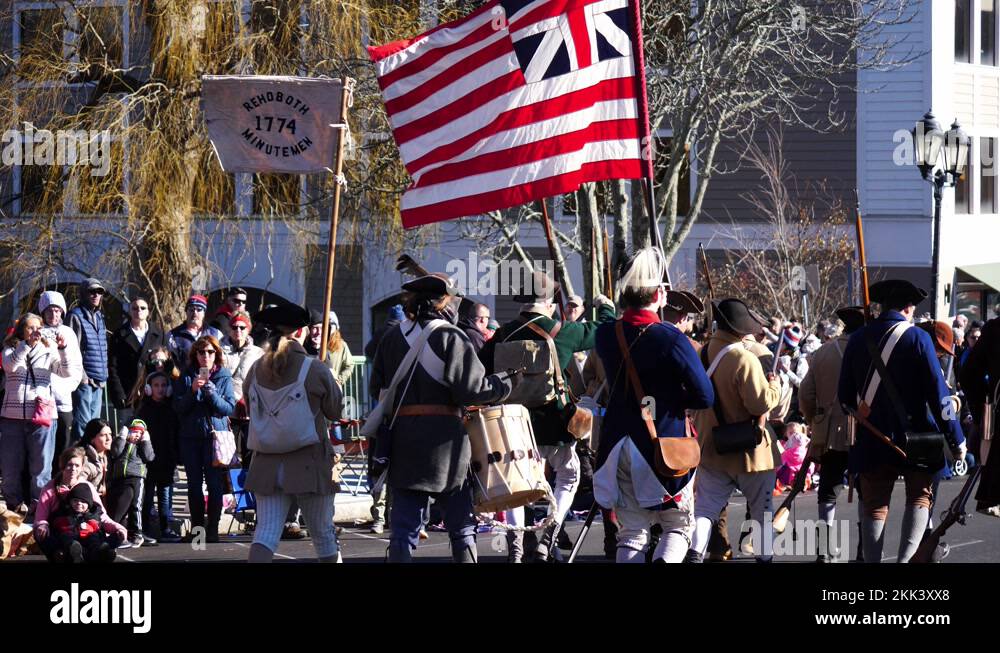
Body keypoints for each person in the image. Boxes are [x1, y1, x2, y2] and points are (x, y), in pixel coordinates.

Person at [371, 274, 514, 562]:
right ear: (443, 304)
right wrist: (504, 384)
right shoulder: (452, 336)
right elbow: (472, 391)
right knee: (461, 527)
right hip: (446, 443)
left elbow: (377, 388)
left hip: (404, 439)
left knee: (403, 530)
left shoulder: (391, 338)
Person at [480, 271, 615, 562]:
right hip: (554, 422)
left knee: (517, 486)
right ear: (550, 304)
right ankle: (550, 534)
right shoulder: (561, 331)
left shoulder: (502, 334)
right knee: (569, 475)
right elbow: (604, 327)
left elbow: (481, 366)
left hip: (513, 423)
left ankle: (516, 550)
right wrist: (605, 304)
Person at [592, 252, 714, 563]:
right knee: (677, 526)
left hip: (617, 444)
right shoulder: (670, 337)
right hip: (661, 446)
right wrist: (673, 400)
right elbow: (704, 396)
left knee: (632, 533)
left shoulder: (606, 334)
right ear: (660, 294)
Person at [838, 280, 966, 563]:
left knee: (874, 506)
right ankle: (905, 561)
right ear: (909, 307)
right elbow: (939, 394)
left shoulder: (858, 338)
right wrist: (956, 438)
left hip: (872, 437)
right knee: (920, 497)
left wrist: (863, 412)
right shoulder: (918, 338)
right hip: (917, 438)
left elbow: (844, 397)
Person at [243, 303, 344, 563]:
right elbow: (334, 411)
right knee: (323, 534)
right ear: (299, 333)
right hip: (309, 463)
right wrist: (330, 380)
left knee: (264, 535)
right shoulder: (315, 368)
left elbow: (250, 411)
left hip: (266, 464)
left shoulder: (254, 371)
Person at [687, 298, 783, 563]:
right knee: (762, 511)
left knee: (705, 510)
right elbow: (760, 403)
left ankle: (695, 554)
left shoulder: (702, 353)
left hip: (712, 447)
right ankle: (765, 559)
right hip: (749, 451)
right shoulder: (744, 358)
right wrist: (774, 386)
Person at [799, 306, 864, 562]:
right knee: (867, 492)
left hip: (828, 431)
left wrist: (815, 419)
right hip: (863, 431)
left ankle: (824, 551)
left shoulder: (822, 352)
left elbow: (806, 395)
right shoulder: (870, 353)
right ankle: (863, 551)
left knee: (827, 491)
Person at [1, 313, 80, 517]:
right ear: (22, 330)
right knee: (10, 469)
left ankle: (39, 508)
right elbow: (9, 366)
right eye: (30, 327)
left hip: (43, 416)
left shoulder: (49, 349)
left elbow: (67, 372)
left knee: (41, 468)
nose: (35, 331)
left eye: (38, 327)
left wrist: (62, 349)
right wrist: (26, 345)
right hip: (12, 417)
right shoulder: (11, 347)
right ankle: (14, 508)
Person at [173, 335, 235, 542]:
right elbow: (178, 408)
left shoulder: (223, 376)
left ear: (216, 354)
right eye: (201, 352)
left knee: (214, 484)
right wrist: (192, 391)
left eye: (210, 352)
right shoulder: (186, 376)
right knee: (194, 484)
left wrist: (212, 394)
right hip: (190, 438)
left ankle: (213, 529)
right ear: (195, 355)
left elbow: (228, 408)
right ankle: (197, 530)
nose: (206, 356)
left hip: (213, 438)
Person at [33, 447, 127, 563]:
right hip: (63, 532)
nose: (73, 469)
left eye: (77, 465)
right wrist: (43, 526)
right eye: (69, 465)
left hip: (86, 531)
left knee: (108, 535)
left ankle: (100, 551)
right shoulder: (49, 489)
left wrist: (117, 527)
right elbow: (40, 519)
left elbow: (101, 515)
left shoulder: (87, 487)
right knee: (40, 534)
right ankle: (64, 554)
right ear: (62, 465)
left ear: (82, 467)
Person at [37, 291, 83, 476]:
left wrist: (66, 387)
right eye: (49, 310)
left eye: (57, 311)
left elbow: (76, 364)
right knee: (42, 446)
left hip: (63, 399)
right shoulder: (37, 332)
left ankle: (61, 480)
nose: (53, 315)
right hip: (41, 400)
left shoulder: (68, 333)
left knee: (64, 443)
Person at [136, 369, 181, 542]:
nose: (160, 389)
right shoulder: (144, 410)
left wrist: (176, 456)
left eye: (163, 385)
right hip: (148, 461)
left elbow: (175, 434)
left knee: (164, 497)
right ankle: (145, 529)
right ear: (148, 388)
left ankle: (165, 528)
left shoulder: (171, 410)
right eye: (156, 385)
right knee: (147, 497)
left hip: (166, 460)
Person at [108, 296, 165, 426]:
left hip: (153, 393)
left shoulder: (158, 333)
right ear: (129, 311)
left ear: (148, 311)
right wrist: (119, 394)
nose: (138, 310)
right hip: (128, 393)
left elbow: (165, 363)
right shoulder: (119, 335)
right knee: (130, 435)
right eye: (134, 308)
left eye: (142, 308)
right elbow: (113, 367)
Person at [67, 278, 109, 442]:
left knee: (94, 427)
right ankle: (79, 462)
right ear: (83, 294)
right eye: (92, 291)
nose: (96, 295)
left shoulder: (100, 317)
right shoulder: (75, 316)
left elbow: (103, 347)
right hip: (83, 381)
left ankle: (91, 463)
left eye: (99, 292)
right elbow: (71, 350)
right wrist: (82, 378)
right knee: (82, 426)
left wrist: (104, 375)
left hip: (99, 380)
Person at [221, 311, 264, 466]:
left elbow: (261, 382)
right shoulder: (217, 349)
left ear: (248, 329)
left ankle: (247, 487)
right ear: (229, 329)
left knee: (249, 453)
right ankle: (227, 488)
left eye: (242, 327)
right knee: (226, 454)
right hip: (225, 410)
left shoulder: (258, 353)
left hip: (249, 410)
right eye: (234, 327)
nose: (238, 330)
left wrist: (248, 400)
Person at [106, 419, 156, 549]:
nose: (137, 435)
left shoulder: (142, 446)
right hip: (121, 478)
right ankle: (122, 532)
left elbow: (149, 457)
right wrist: (122, 437)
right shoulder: (123, 444)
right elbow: (115, 451)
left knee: (136, 505)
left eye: (140, 433)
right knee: (122, 506)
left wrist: (146, 440)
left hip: (137, 477)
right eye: (134, 432)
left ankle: (137, 532)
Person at [168, 295, 224, 364]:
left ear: (204, 313)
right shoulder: (173, 336)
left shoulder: (216, 334)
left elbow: (221, 360)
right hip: (185, 374)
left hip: (211, 374)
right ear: (186, 312)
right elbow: (171, 363)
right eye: (191, 309)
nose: (195, 313)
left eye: (199, 310)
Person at [77, 418, 113, 499]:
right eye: (103, 435)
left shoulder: (108, 456)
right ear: (92, 439)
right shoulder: (84, 460)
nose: (109, 438)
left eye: (110, 434)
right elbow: (79, 487)